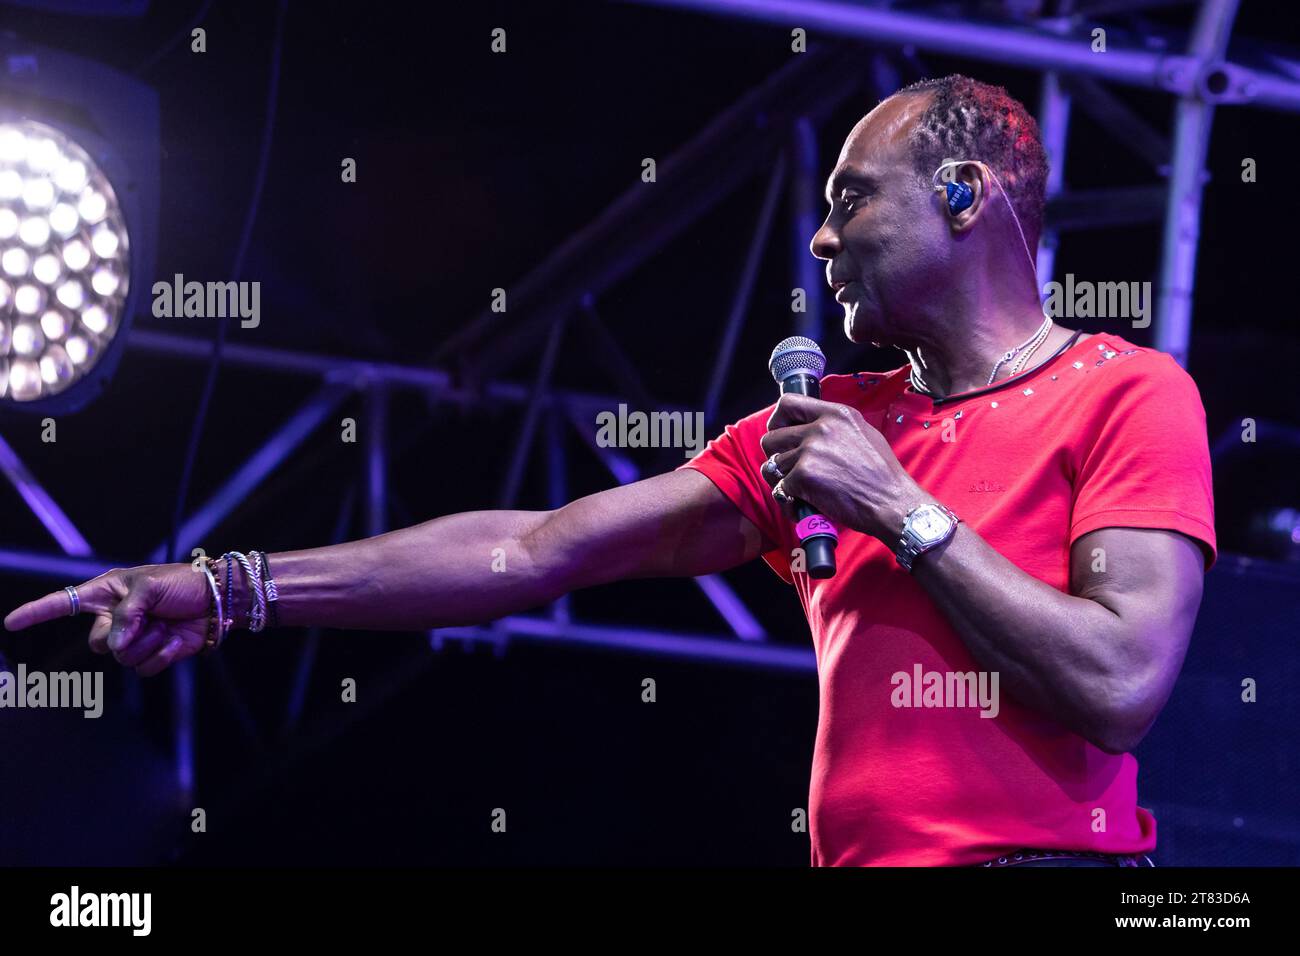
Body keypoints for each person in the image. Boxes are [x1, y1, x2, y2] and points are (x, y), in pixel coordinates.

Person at [4, 75, 1215, 867]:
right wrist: (232, 587)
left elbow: (1118, 681)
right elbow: (537, 547)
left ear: (963, 195)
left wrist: (902, 510)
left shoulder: (1123, 390)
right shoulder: (827, 427)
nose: (821, 233)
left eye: (853, 197)